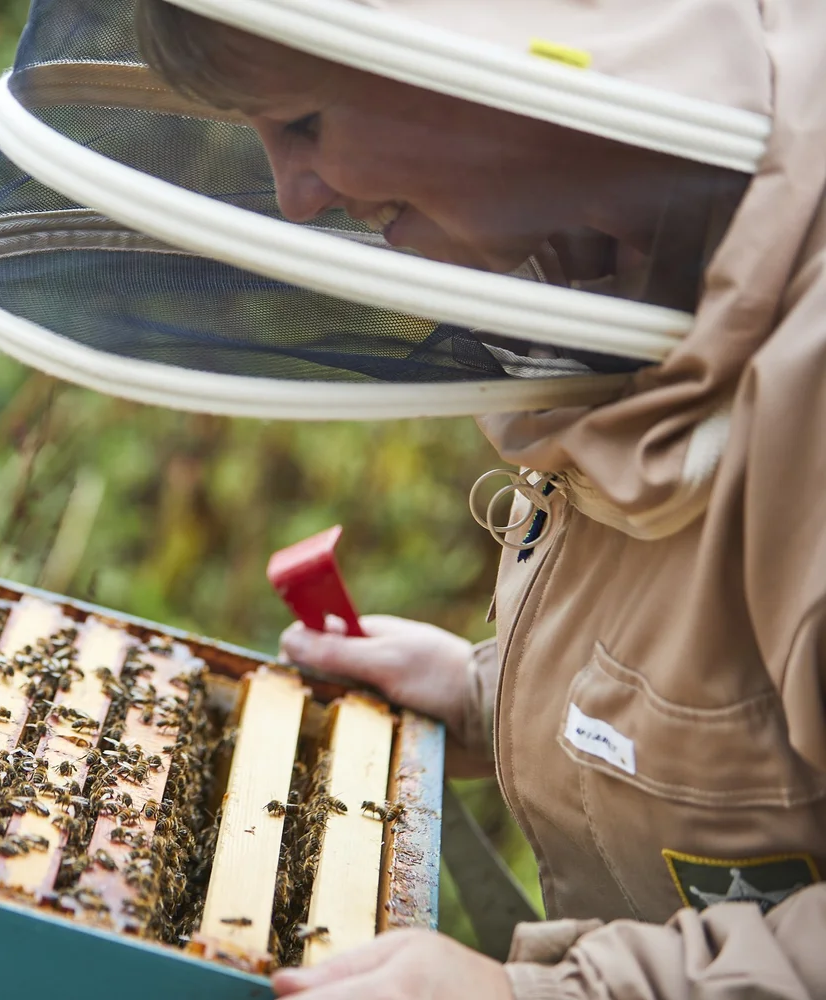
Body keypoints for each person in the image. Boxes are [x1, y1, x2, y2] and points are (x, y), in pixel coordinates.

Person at [133, 2, 826, 998]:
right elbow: (744, 697)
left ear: (487, 44)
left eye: (304, 124)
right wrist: (491, 698)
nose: (293, 197)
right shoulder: (624, 244)